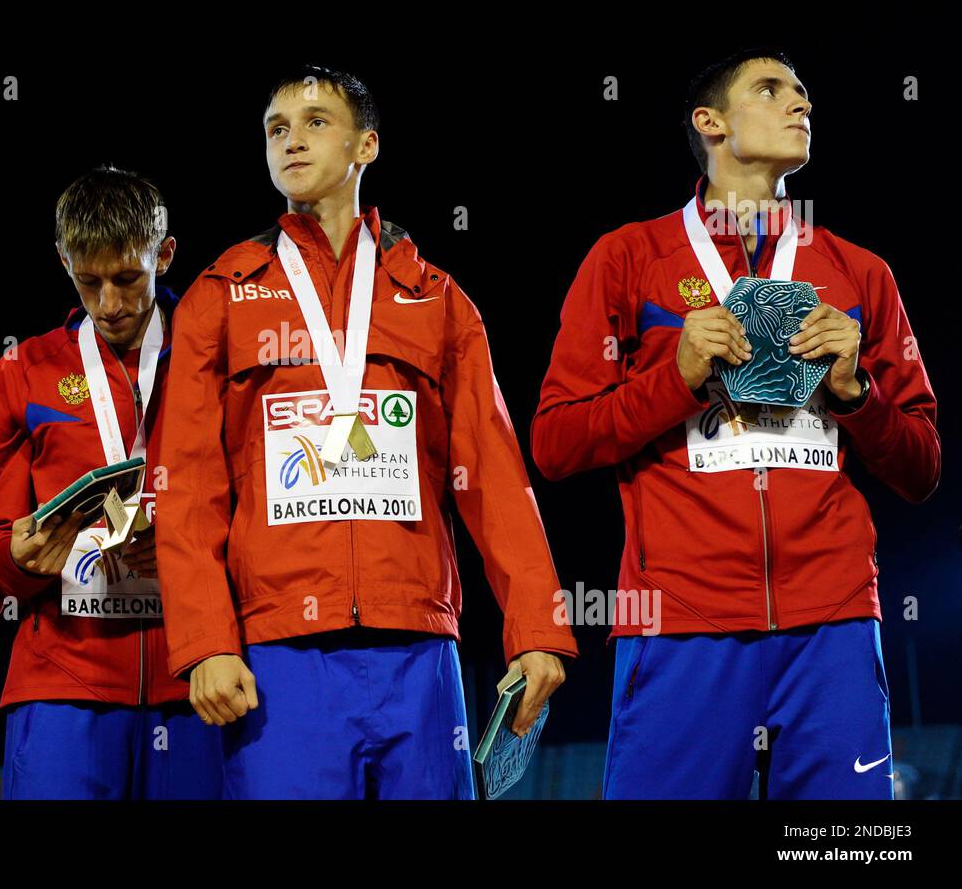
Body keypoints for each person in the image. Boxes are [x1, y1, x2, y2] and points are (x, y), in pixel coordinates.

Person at [155, 65, 576, 799]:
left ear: (367, 145)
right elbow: (188, 486)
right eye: (276, 129)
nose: (291, 141)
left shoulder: (436, 298)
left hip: (418, 645)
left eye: (315, 122)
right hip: (279, 653)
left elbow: (494, 474)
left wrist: (536, 625)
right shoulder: (220, 296)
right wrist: (205, 642)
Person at [532, 48, 941, 799]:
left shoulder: (860, 272)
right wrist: (677, 379)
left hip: (834, 625)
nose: (801, 104)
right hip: (682, 624)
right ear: (710, 122)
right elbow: (556, 442)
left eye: (804, 93)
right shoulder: (629, 259)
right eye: (772, 89)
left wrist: (857, 395)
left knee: (843, 851)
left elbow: (922, 467)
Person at [0, 165, 223, 799]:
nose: (110, 304)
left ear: (164, 255)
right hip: (63, 681)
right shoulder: (22, 371)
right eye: (89, 282)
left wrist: (189, 542)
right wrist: (19, 560)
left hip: (194, 677)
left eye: (128, 279)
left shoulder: (213, 356)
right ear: (64, 261)